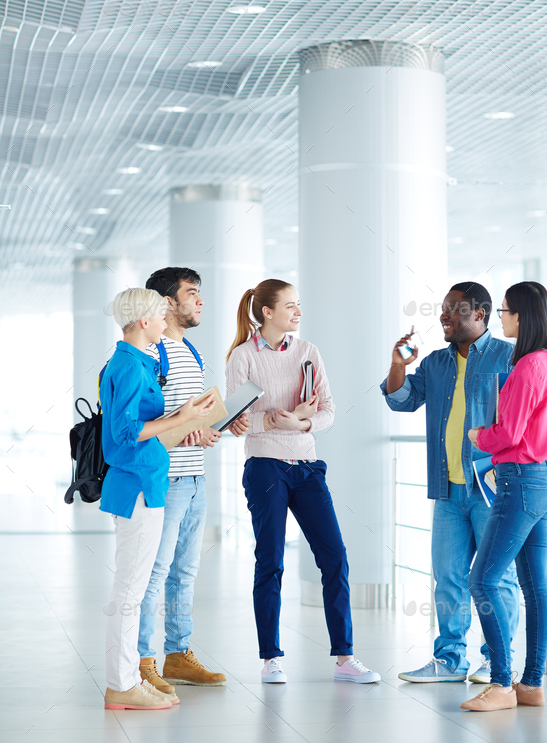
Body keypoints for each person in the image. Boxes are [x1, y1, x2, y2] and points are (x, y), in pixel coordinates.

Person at [225, 279, 381, 685]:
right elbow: (234, 422)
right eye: (290, 306)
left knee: (335, 557)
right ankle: (270, 658)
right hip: (266, 467)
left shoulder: (308, 352)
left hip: (308, 466)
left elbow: (328, 411)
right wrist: (275, 419)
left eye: (298, 305)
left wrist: (303, 422)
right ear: (266, 312)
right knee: (271, 561)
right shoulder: (243, 357)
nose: (298, 312)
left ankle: (345, 658)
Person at [381, 282, 520, 684]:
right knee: (449, 577)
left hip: (492, 487)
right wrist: (398, 364)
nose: (444, 316)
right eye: (443, 309)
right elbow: (401, 399)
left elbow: (520, 421)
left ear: (480, 315)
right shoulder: (436, 363)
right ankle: (450, 660)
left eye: (455, 310)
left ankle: (498, 660)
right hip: (448, 490)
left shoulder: (507, 357)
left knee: (499, 577)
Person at [100, 288, 216, 711]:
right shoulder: (129, 365)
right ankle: (121, 684)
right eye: (159, 315)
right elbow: (126, 433)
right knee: (130, 591)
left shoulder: (136, 361)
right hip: (135, 486)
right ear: (143, 321)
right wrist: (183, 417)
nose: (166, 321)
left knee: (134, 587)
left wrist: (182, 421)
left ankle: (129, 678)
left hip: (147, 483)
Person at [137, 267, 250, 695]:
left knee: (184, 572)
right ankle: (144, 662)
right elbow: (143, 420)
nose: (200, 301)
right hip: (165, 477)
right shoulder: (151, 351)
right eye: (192, 293)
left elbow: (192, 414)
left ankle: (177, 654)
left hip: (195, 477)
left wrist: (222, 423)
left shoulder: (192, 351)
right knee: (156, 571)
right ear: (167, 302)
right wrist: (187, 430)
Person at [460, 282, 547, 712]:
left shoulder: (525, 367)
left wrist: (477, 435)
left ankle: (502, 683)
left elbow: (507, 434)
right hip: (544, 483)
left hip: (519, 484)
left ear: (521, 316)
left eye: (504, 311)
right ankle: (531, 684)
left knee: (481, 579)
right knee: (536, 587)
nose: (500, 317)